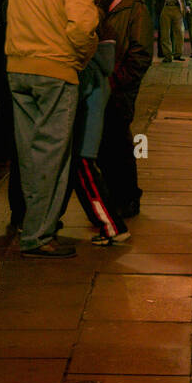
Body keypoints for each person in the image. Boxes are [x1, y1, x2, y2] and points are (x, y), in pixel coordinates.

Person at [5, 0, 99, 258]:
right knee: (53, 156)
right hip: (56, 69)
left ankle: (31, 223)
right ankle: (38, 236)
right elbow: (83, 24)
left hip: (18, 66)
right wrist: (80, 57)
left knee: (29, 153)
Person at [95, 0, 153, 218]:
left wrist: (119, 80)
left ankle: (128, 197)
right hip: (95, 86)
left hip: (119, 87)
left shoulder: (134, 7)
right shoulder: (92, 3)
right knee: (101, 144)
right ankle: (109, 197)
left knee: (118, 140)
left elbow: (141, 51)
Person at [70, 32, 130, 245]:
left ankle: (112, 226)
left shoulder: (88, 68)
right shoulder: (101, 62)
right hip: (88, 134)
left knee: (88, 181)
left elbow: (77, 95)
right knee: (86, 178)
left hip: (84, 135)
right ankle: (111, 226)